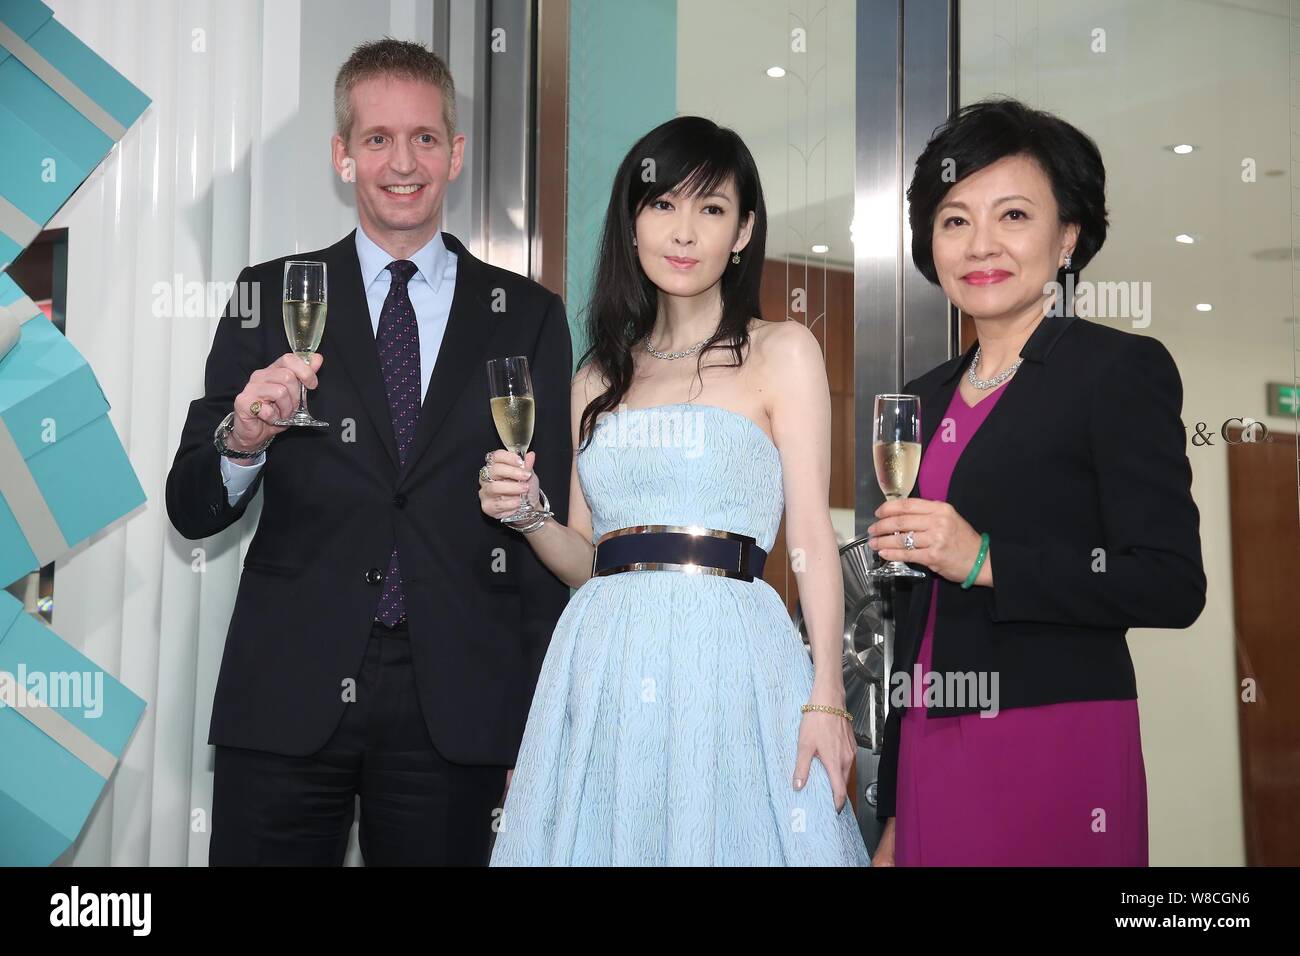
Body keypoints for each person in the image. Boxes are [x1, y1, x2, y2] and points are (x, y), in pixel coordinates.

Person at [165, 39, 572, 865]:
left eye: (425, 138)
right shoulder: (266, 294)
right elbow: (192, 506)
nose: (402, 162)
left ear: (455, 154)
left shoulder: (526, 314)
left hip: (455, 704)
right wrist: (243, 440)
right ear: (342, 155)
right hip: (285, 689)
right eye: (378, 138)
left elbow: (542, 529)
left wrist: (535, 718)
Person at [481, 116, 871, 866]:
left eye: (712, 208)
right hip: (603, 665)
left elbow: (811, 537)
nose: (684, 231)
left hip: (734, 661)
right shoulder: (599, 375)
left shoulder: (780, 350)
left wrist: (828, 695)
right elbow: (589, 558)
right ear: (632, 222)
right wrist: (526, 514)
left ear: (744, 230)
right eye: (663, 205)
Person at [868, 98, 1206, 866]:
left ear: (1068, 238)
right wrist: (893, 810)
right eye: (955, 220)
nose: (979, 244)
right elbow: (913, 622)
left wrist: (986, 561)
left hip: (1055, 737)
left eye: (1013, 215)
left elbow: (1171, 583)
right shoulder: (920, 397)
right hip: (930, 740)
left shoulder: (1115, 372)